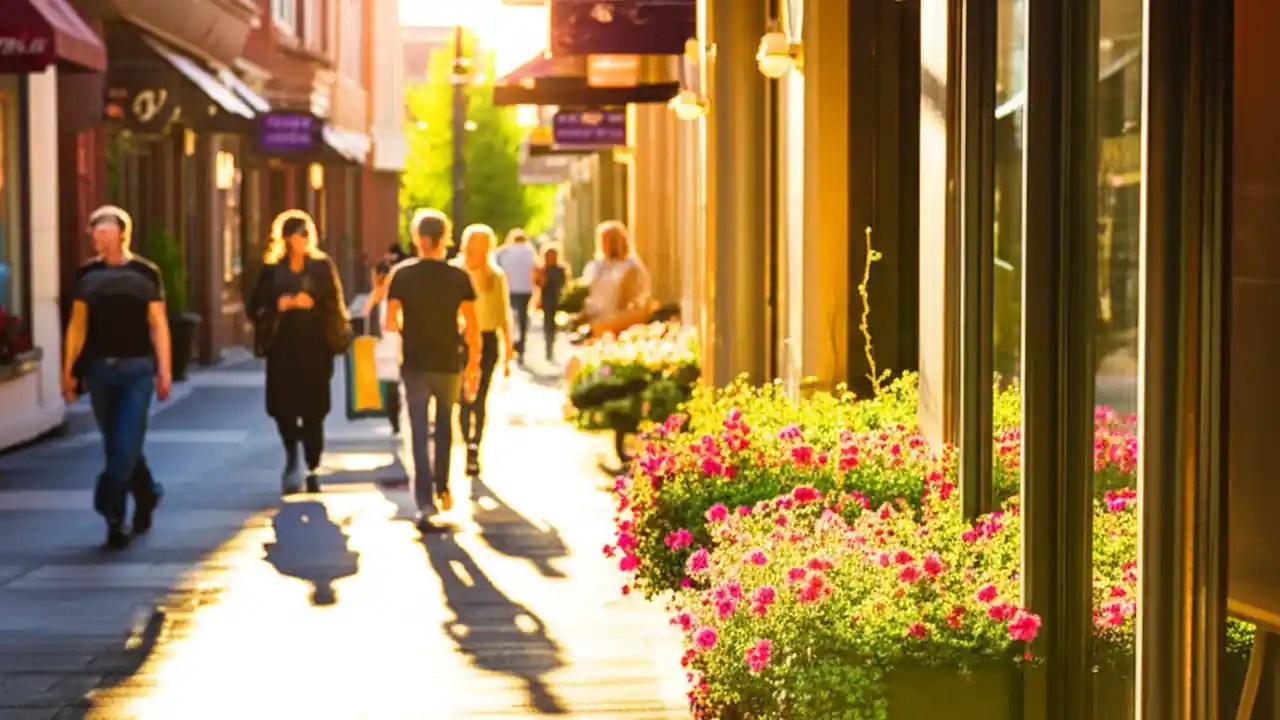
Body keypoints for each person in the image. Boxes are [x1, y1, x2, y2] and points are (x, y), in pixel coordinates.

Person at [61, 206, 172, 550]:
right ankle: (148, 493)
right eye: (95, 232)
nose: (98, 237)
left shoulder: (145, 273)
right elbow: (77, 325)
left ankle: (112, 516)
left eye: (105, 231)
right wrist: (67, 371)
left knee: (124, 446)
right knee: (119, 445)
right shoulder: (87, 275)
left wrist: (165, 369)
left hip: (137, 369)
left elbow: (158, 323)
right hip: (100, 371)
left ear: (122, 233)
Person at [385, 209, 480, 530]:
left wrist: (408, 330)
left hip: (414, 362)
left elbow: (389, 320)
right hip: (448, 363)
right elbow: (472, 327)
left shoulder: (402, 274)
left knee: (417, 430)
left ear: (419, 239)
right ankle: (443, 487)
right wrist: (473, 366)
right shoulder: (458, 277)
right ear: (444, 238)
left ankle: (424, 502)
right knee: (444, 429)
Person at [249, 210, 349, 495]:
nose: (305, 239)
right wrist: (277, 305)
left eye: (308, 234)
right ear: (287, 238)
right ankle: (292, 450)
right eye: (299, 234)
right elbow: (254, 307)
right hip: (282, 347)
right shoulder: (271, 270)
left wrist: (312, 305)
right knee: (282, 407)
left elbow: (335, 305)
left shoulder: (321, 266)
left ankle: (312, 464)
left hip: (315, 346)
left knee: (315, 409)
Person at [453, 225, 514, 477]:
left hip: (488, 341)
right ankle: (467, 440)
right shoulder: (455, 271)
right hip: (460, 340)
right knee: (462, 398)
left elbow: (503, 315)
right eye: (475, 244)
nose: (479, 250)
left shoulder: (495, 276)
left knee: (480, 397)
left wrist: (509, 351)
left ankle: (474, 449)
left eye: (484, 245)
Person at [364, 242, 410, 434]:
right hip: (388, 349)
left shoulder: (388, 298)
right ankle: (395, 419)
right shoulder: (377, 299)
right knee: (394, 387)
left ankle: (396, 419)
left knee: (396, 386)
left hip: (393, 348)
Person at [583, 220, 655, 337]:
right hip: (598, 318)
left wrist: (616, 319)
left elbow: (629, 298)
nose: (607, 244)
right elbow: (590, 293)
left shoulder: (630, 266)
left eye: (611, 240)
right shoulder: (596, 266)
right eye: (604, 240)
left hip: (619, 320)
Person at [493, 228, 536, 362]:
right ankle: (521, 343)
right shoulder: (529, 251)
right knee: (523, 316)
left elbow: (495, 265)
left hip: (509, 287)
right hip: (525, 288)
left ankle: (510, 342)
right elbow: (536, 269)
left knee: (510, 316)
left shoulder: (504, 251)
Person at [533, 243, 570, 363]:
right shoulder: (543, 269)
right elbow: (538, 284)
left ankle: (551, 342)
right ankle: (549, 346)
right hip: (547, 299)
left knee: (553, 323)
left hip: (557, 299)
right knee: (548, 323)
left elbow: (565, 284)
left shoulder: (561, 269)